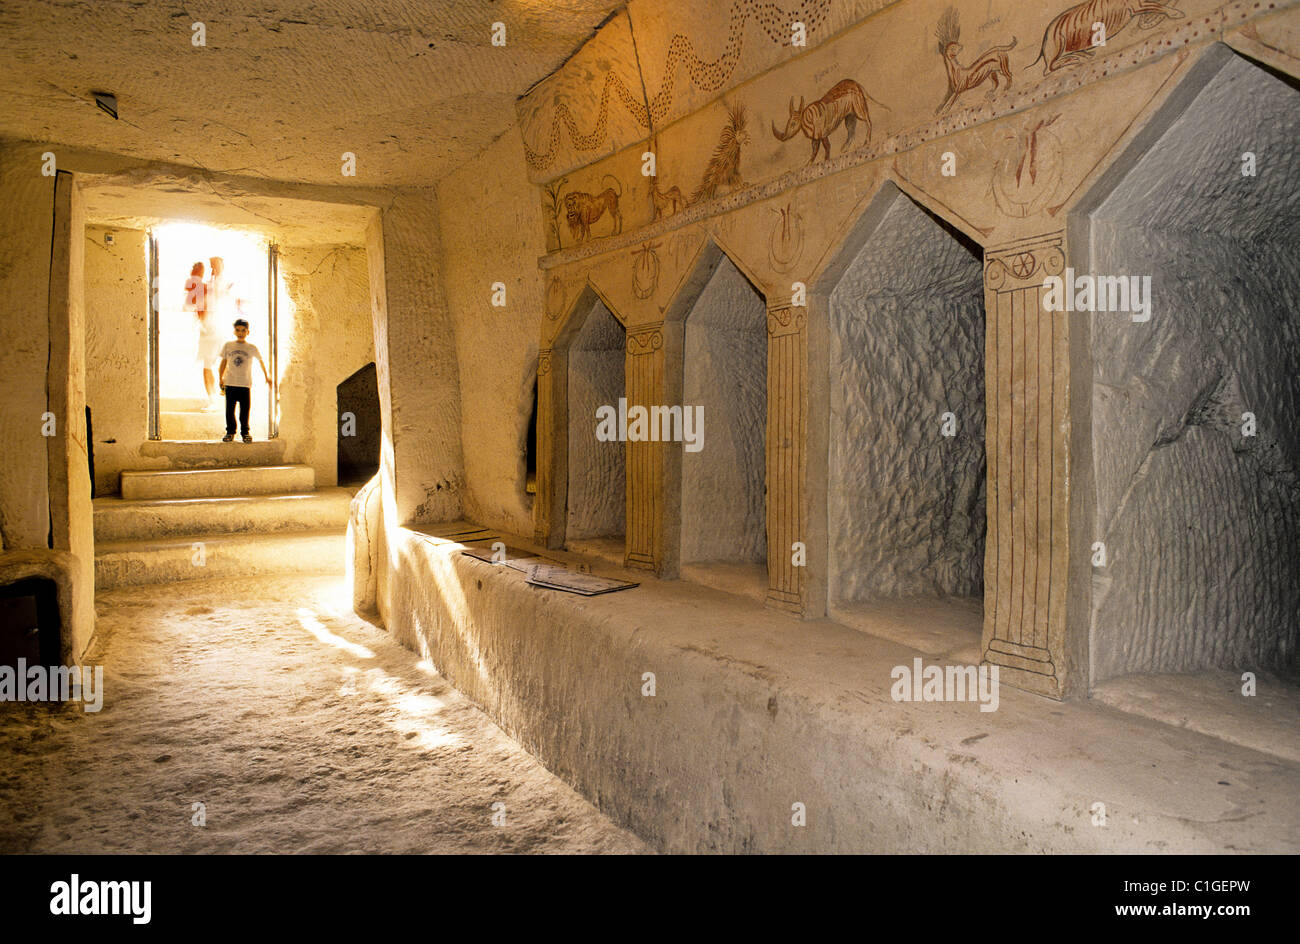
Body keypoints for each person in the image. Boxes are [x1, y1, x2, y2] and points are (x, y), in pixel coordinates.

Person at [217, 319, 271, 443]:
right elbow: (223, 362)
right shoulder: (228, 345)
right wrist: (220, 377)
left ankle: (245, 432)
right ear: (234, 331)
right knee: (229, 410)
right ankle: (230, 432)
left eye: (243, 330)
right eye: (238, 330)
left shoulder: (251, 348)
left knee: (244, 410)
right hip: (230, 382)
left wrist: (266, 376)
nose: (240, 332)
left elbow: (261, 361)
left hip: (245, 384)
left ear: (248, 332)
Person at [183, 261, 222, 405]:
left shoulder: (200, 287)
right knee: (210, 365)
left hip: (210, 330)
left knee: (208, 365)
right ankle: (214, 398)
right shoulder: (206, 287)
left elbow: (188, 306)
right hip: (211, 329)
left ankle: (214, 399)